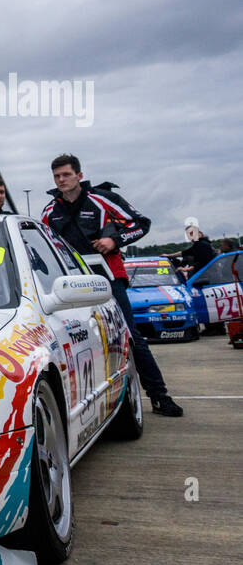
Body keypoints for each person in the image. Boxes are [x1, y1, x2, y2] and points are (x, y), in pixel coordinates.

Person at [41, 154, 182, 417]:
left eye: (66, 175)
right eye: (57, 176)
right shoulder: (50, 211)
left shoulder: (102, 199)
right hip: (73, 284)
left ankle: (160, 396)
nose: (61, 180)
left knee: (130, 336)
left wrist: (114, 241)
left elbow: (141, 224)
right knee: (79, 340)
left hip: (109, 279)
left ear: (79, 176)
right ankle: (93, 402)